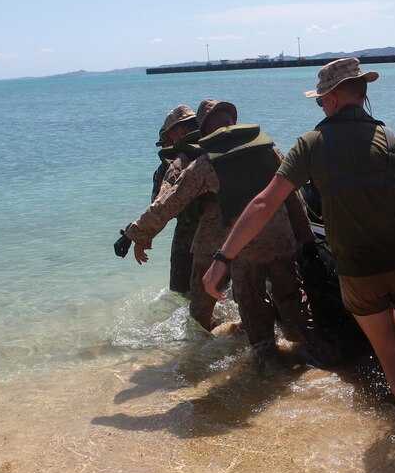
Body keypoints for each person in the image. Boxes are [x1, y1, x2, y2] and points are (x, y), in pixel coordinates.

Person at [202, 58, 395, 449]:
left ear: (332, 100)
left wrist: (222, 259)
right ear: (360, 95)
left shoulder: (311, 145)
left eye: (320, 102)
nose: (320, 108)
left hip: (360, 271)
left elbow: (265, 204)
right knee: (390, 326)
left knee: (391, 361)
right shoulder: (392, 141)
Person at [123, 98, 317, 357]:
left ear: (204, 132)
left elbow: (170, 202)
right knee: (293, 301)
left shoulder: (206, 162)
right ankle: (311, 354)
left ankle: (267, 369)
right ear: (233, 123)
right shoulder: (266, 147)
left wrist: (136, 234)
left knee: (253, 311)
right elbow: (292, 193)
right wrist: (304, 237)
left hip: (243, 248)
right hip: (281, 241)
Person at [151, 105, 202, 295]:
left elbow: (159, 208)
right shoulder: (217, 151)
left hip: (188, 238)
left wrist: (141, 237)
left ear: (177, 133)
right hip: (230, 235)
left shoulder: (170, 167)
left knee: (183, 293)